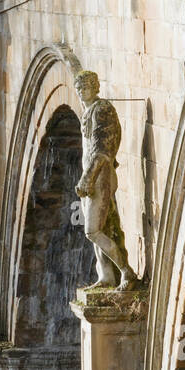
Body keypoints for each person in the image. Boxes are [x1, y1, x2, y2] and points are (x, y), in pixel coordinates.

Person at [74, 70, 137, 289]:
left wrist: (87, 178)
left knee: (92, 230)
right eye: (78, 88)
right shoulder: (88, 111)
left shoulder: (102, 110)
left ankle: (126, 271)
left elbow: (102, 150)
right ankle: (107, 276)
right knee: (105, 226)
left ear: (95, 87)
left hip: (100, 176)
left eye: (85, 87)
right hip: (91, 177)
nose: (81, 92)